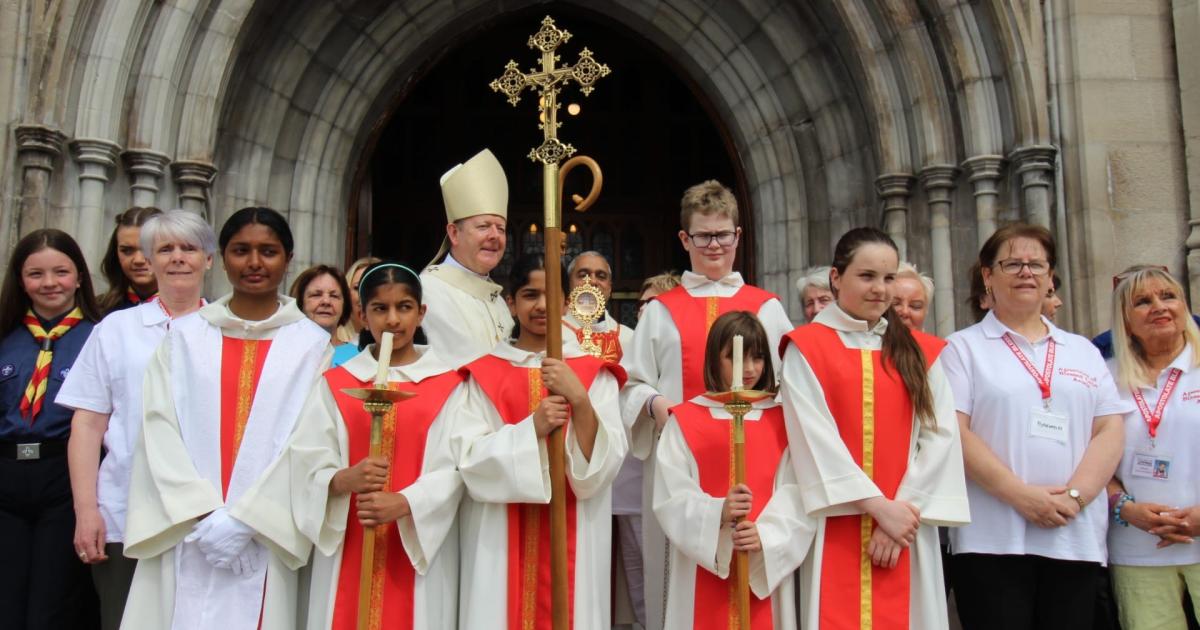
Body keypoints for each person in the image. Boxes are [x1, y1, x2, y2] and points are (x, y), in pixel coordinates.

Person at [120, 207, 333, 630]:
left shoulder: (312, 346)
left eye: (268, 251)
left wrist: (245, 519)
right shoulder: (184, 337)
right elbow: (158, 430)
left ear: (288, 258)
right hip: (188, 530)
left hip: (266, 531)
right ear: (222, 256)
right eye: (241, 250)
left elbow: (311, 442)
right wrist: (202, 513)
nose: (254, 262)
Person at [622, 180, 793, 630]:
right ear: (685, 240)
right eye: (703, 235)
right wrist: (662, 409)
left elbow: (790, 387)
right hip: (684, 466)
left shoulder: (768, 308)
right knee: (680, 581)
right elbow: (631, 385)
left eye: (723, 234)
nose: (714, 245)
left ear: (739, 236)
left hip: (757, 465)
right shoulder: (661, 310)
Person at [942, 223, 1130, 630]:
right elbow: (955, 432)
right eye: (1012, 263)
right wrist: (1022, 497)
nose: (1026, 272)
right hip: (992, 537)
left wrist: (1075, 498)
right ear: (988, 276)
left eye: (1036, 264)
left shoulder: (1081, 350)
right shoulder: (963, 348)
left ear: (1050, 278)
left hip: (1073, 536)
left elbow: (1109, 430)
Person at [780, 227, 968, 629]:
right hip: (836, 525)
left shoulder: (920, 352)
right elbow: (814, 439)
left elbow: (940, 437)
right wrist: (880, 509)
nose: (880, 289)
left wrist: (903, 513)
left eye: (887, 278)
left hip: (906, 529)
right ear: (836, 277)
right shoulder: (806, 348)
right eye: (867, 276)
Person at [266, 262, 469, 629]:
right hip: (349, 542)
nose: (392, 320)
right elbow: (305, 458)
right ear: (361, 314)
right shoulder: (335, 382)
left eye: (404, 307)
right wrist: (340, 480)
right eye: (380, 308)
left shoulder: (451, 384)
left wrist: (407, 502)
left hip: (419, 544)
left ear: (421, 313)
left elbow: (459, 467)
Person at [59, 210, 214, 630]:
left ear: (209, 260)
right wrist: (87, 511)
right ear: (150, 258)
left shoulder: (227, 332)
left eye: (189, 248)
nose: (178, 257)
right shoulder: (116, 329)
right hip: (125, 511)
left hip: (206, 517)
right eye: (166, 248)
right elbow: (88, 425)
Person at [457, 254, 627, 630]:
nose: (541, 306)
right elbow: (468, 462)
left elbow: (604, 463)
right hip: (499, 539)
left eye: (551, 295)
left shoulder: (593, 373)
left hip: (575, 533)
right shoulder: (481, 374)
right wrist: (531, 429)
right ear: (511, 304)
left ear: (567, 302)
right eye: (529, 295)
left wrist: (580, 401)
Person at [654, 311, 813, 628]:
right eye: (736, 358)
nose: (750, 369)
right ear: (715, 359)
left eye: (758, 358)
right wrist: (718, 514)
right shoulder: (685, 420)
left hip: (762, 556)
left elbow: (799, 492)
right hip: (701, 565)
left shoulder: (783, 420)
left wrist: (767, 535)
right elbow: (671, 494)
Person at [0, 229, 102, 628]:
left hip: (63, 476)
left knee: (52, 604)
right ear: (20, 280)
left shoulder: (100, 336)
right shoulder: (6, 336)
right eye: (35, 274)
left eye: (60, 272)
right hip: (7, 476)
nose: (48, 284)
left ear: (79, 277)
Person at [1104, 267, 1200, 630]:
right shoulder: (1106, 377)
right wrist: (1126, 509)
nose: (1158, 307)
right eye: (1142, 302)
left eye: (1168, 296)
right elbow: (1091, 459)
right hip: (1137, 546)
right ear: (1126, 322)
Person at [420, 149, 514, 367]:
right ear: (454, 233)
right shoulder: (428, 290)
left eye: (500, 228)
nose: (494, 236)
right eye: (483, 227)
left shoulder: (497, 300)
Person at [565, 250, 633, 363]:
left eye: (601, 276)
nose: (592, 281)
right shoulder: (552, 332)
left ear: (610, 288)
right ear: (568, 284)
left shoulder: (628, 339)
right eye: (583, 275)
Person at [97, 207, 163, 314]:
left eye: (149, 248)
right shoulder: (97, 312)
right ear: (115, 253)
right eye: (127, 251)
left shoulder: (194, 313)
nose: (138, 260)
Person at [289, 264, 351, 345]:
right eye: (316, 295)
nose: (326, 301)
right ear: (300, 302)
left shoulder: (359, 356)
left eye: (334, 296)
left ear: (344, 304)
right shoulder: (283, 352)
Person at [335, 256, 381, 345]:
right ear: (346, 293)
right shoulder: (330, 343)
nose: (366, 296)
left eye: (375, 288)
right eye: (358, 288)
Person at [893, 261, 933, 331]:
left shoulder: (938, 342)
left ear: (926, 311)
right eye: (895, 304)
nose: (905, 312)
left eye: (915, 306)